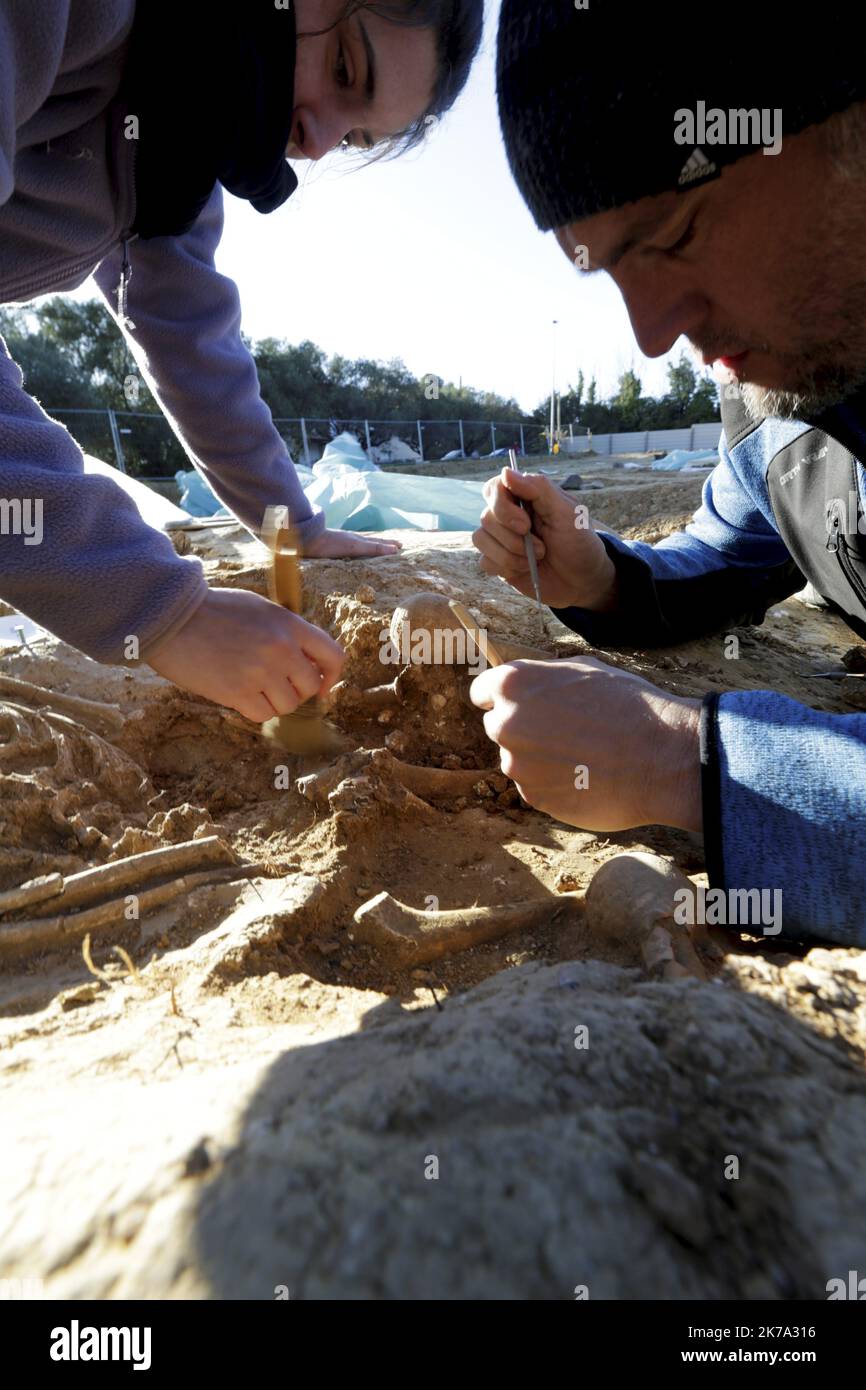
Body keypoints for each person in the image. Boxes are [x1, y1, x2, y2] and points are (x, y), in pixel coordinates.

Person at [472, 0, 866, 945]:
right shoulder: (786, 384)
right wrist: (599, 575)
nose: (652, 336)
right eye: (609, 270)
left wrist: (688, 763)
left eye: (678, 232)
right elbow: (730, 553)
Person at [0, 0, 482, 723]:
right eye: (343, 65)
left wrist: (290, 522)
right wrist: (164, 611)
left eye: (351, 138)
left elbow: (192, 340)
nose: (314, 143)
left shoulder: (174, 148)